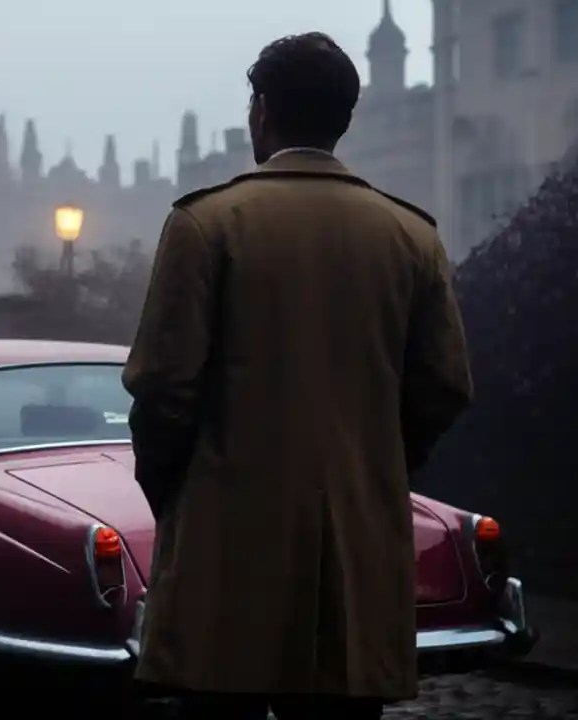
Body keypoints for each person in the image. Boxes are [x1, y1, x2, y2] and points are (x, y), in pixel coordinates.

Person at [122, 32, 473, 720]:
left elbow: (164, 390)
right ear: (343, 117)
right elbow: (445, 385)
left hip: (227, 554)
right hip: (357, 552)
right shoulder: (411, 237)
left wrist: (178, 494)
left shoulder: (205, 224)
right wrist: (375, 462)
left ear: (261, 111)